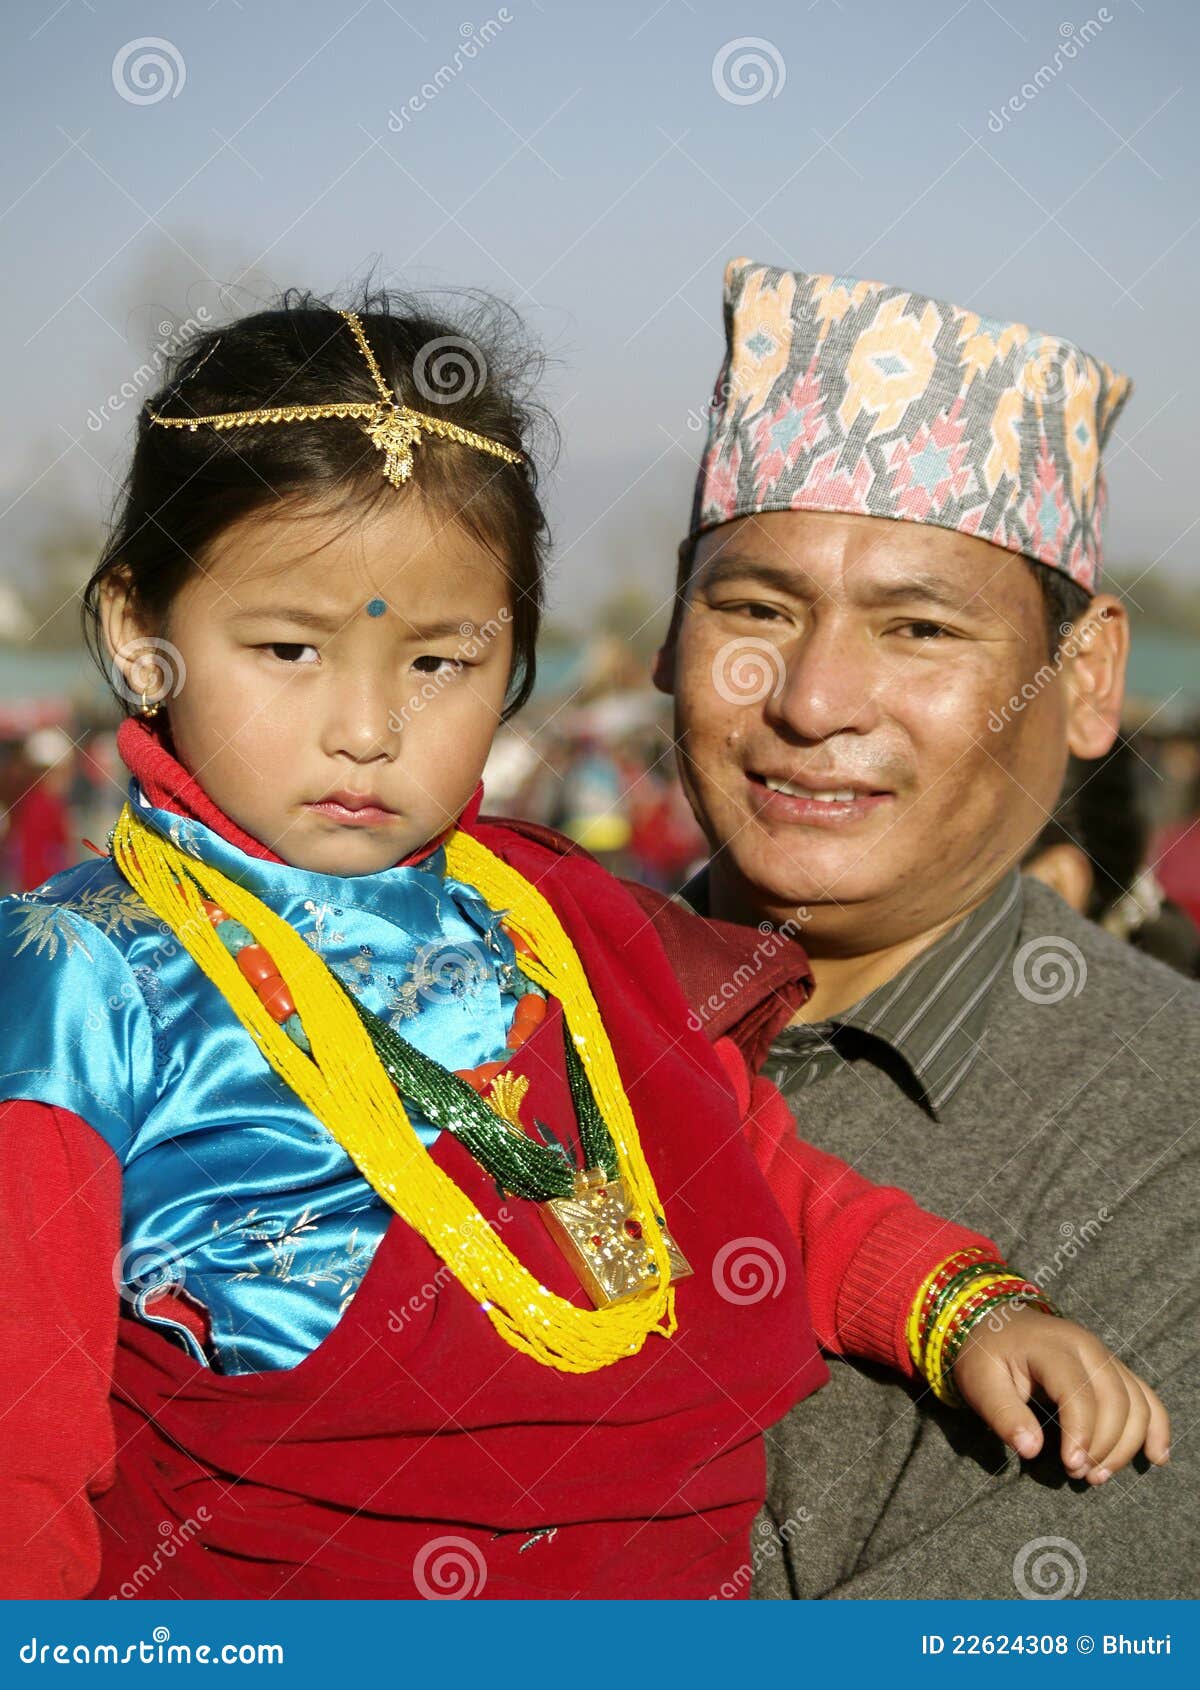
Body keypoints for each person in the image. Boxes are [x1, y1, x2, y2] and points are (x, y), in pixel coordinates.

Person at [0, 289, 1168, 1603]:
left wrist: (962, 1308)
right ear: (134, 635)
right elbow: (20, 1447)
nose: (368, 728)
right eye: (287, 647)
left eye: (439, 660)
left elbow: (754, 1177)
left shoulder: (561, 925)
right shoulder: (90, 978)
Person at [652, 259, 1199, 1598]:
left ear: (1085, 680)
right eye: (757, 607)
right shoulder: (498, 999)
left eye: (917, 626)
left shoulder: (1168, 1126)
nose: (816, 698)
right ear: (671, 634)